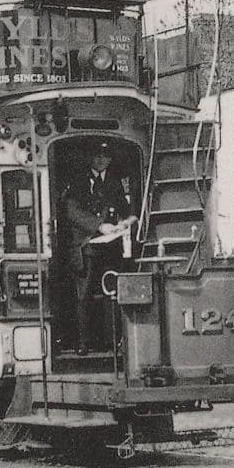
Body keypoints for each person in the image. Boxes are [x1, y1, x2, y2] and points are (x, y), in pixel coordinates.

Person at [59, 143, 136, 354]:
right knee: (83, 295)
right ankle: (83, 342)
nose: (102, 159)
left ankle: (111, 341)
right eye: (97, 155)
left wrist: (126, 221)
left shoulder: (113, 182)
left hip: (109, 246)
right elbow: (72, 212)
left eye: (106, 156)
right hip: (85, 247)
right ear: (90, 158)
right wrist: (99, 225)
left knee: (110, 290)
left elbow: (125, 209)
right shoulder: (78, 181)